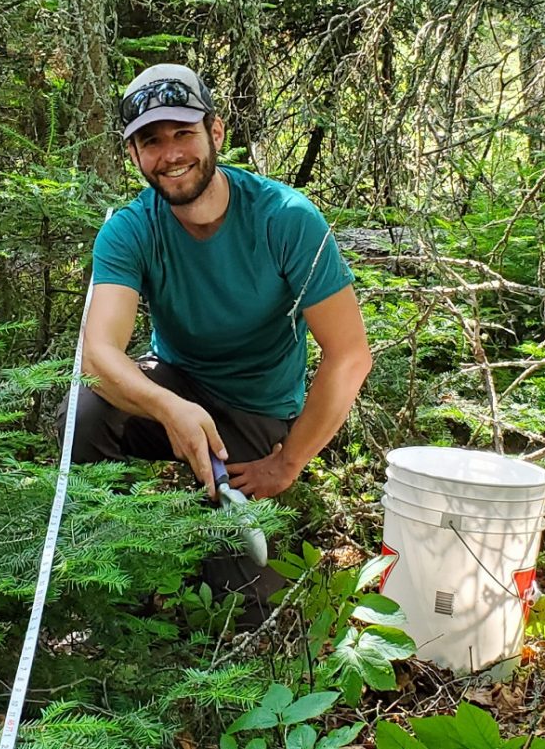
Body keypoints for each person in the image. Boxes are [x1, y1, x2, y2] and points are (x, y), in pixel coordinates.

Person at [58, 63, 372, 621]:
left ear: (216, 132)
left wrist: (288, 462)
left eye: (183, 133)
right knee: (83, 411)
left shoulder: (286, 220)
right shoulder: (131, 228)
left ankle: (232, 584)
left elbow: (349, 356)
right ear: (133, 155)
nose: (170, 154)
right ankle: (113, 581)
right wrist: (169, 408)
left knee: (241, 607)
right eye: (151, 142)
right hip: (176, 385)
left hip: (256, 407)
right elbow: (98, 355)